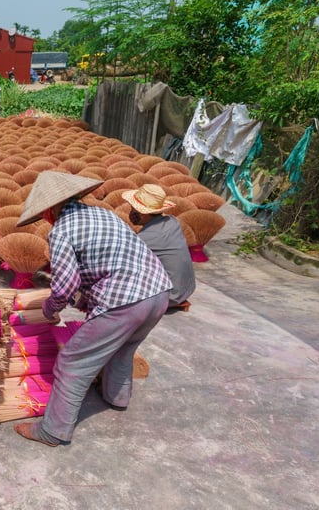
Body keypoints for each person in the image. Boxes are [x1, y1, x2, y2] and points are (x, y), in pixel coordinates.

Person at [12, 171, 172, 447]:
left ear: (51, 209)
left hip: (125, 302)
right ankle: (117, 398)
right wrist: (86, 299)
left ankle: (53, 431)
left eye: (44, 215)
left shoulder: (61, 230)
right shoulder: (104, 215)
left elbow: (64, 286)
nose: (45, 220)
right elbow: (104, 263)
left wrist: (51, 309)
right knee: (123, 350)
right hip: (159, 293)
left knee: (73, 362)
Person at [122, 184, 196, 312]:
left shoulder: (147, 238)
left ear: (144, 214)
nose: (131, 212)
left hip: (170, 296)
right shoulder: (172, 221)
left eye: (134, 209)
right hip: (186, 289)